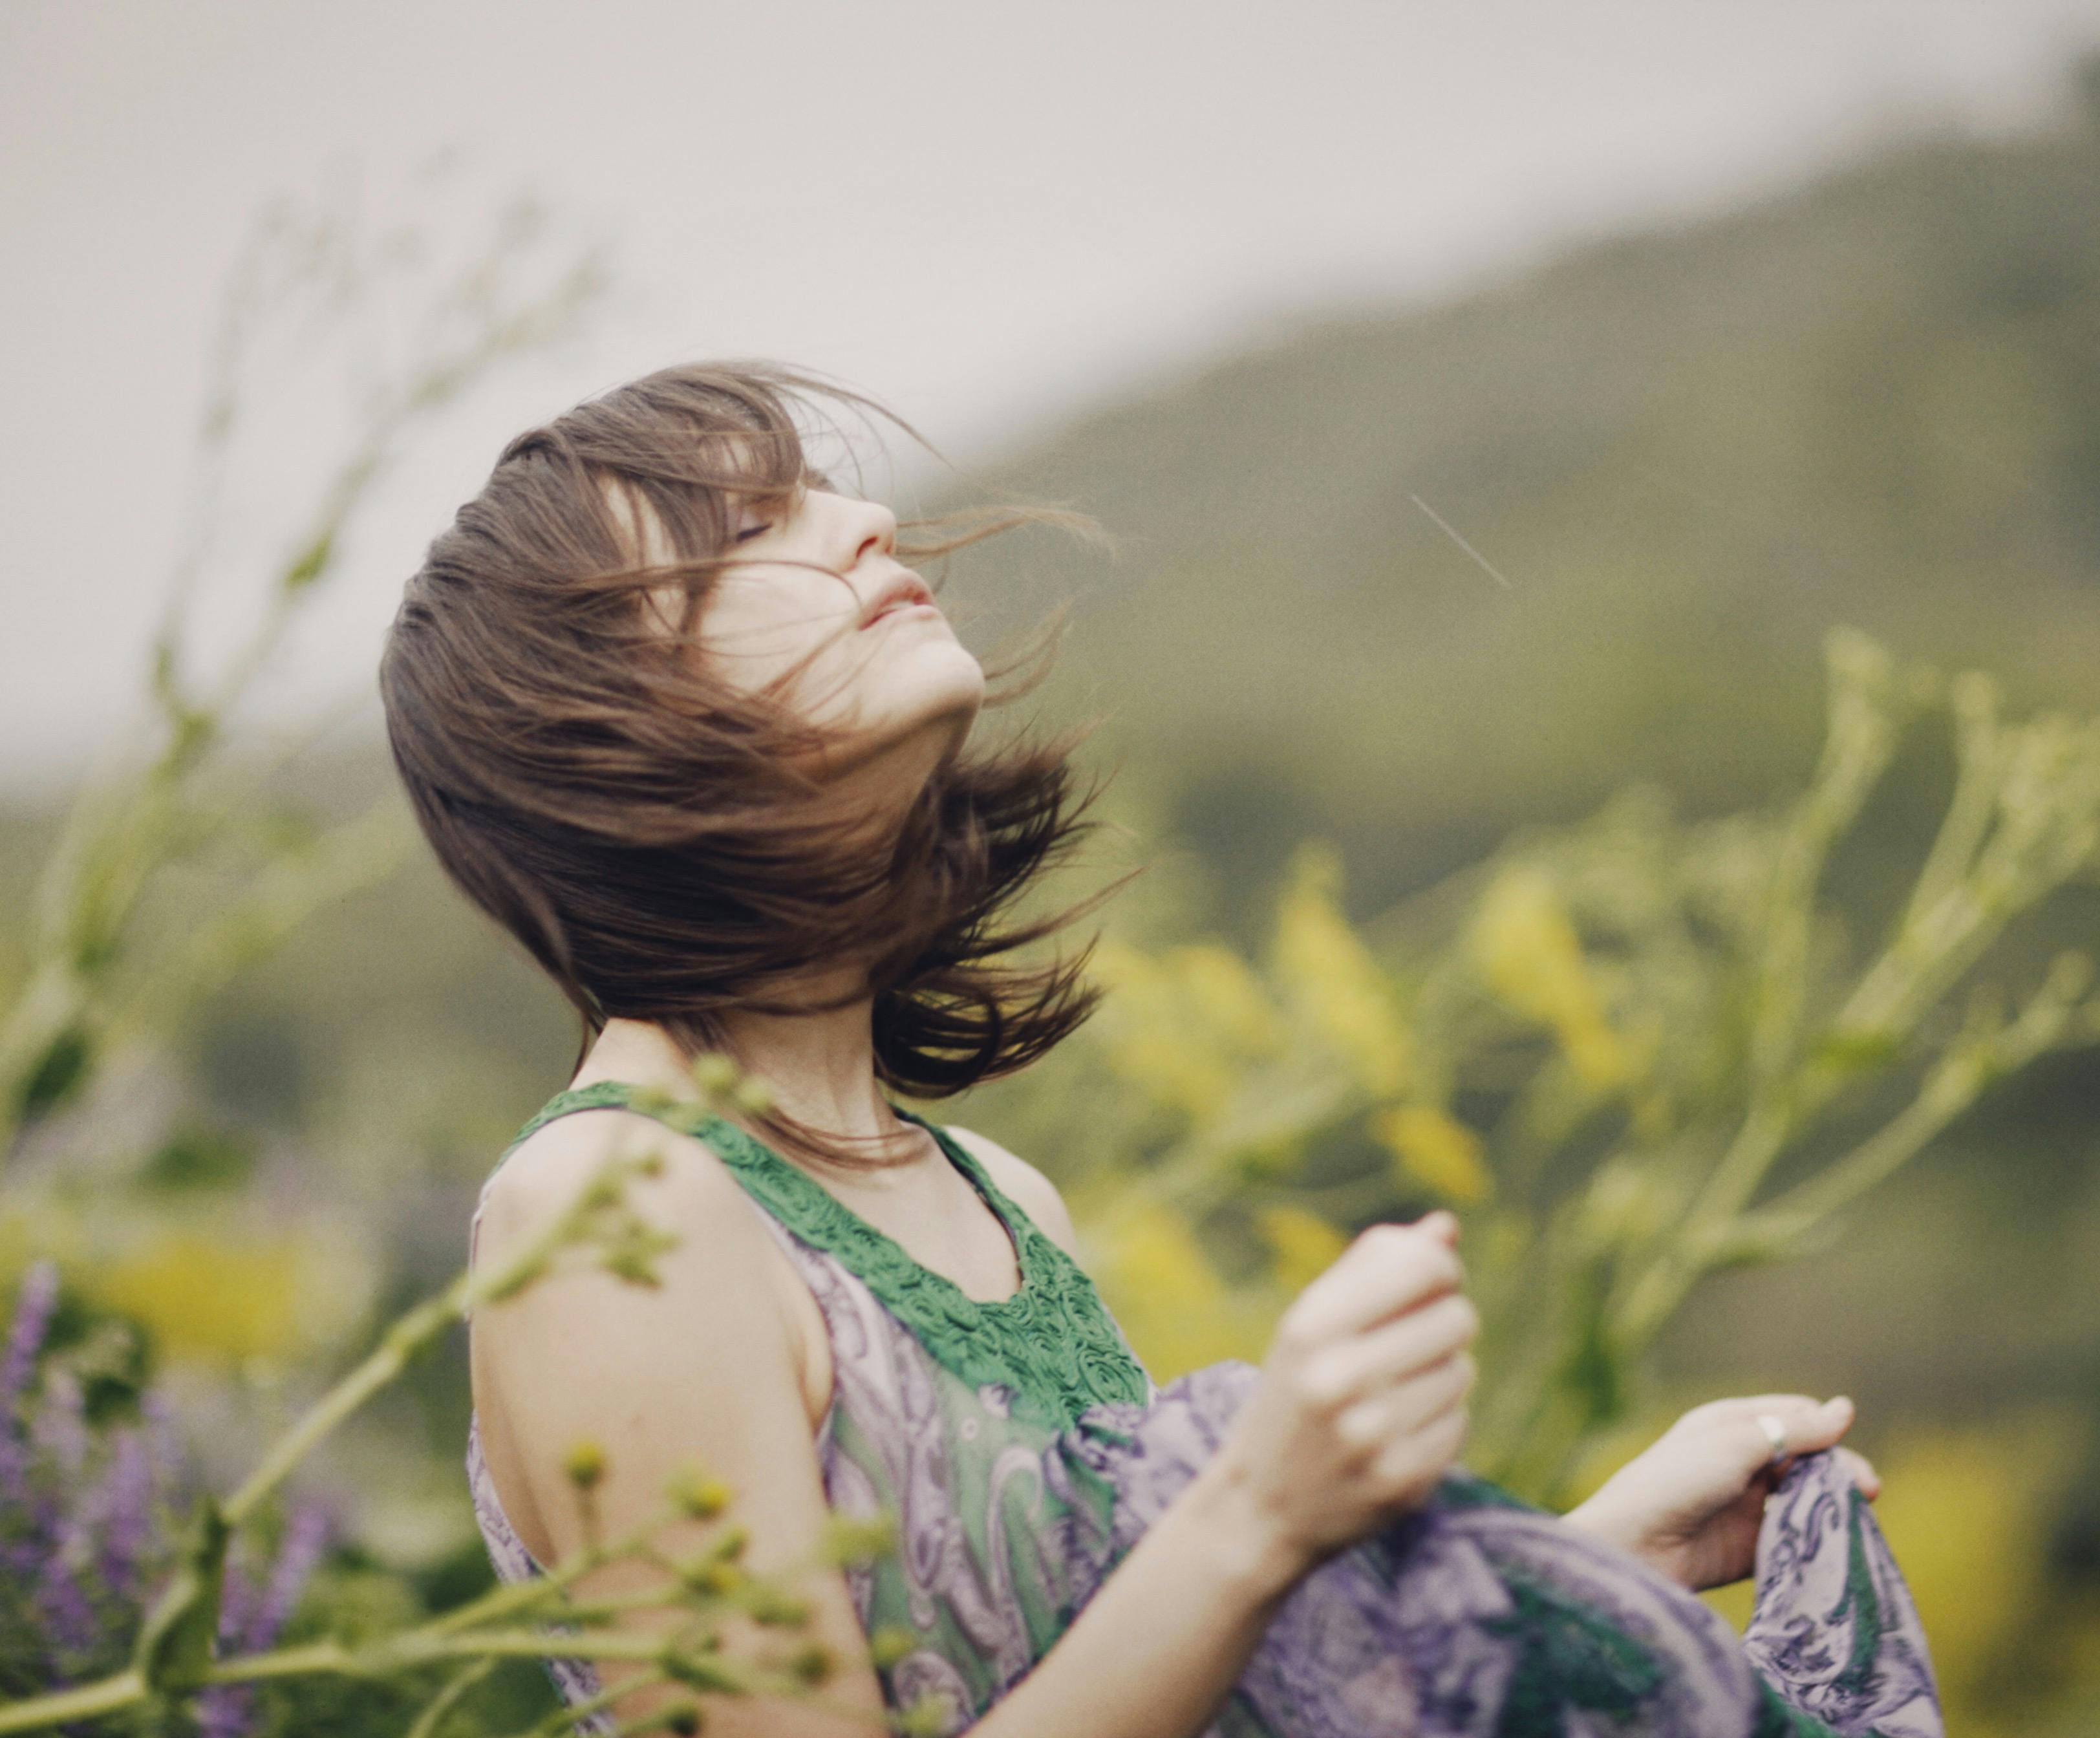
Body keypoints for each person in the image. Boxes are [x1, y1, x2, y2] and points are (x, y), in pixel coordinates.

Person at [380, 359, 1942, 1737]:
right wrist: (1262, 1510)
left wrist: (1601, 1562)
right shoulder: (613, 1213)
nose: (863, 526)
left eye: (828, 495)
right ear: (597, 730)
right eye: (745, 533)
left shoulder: (997, 1196)